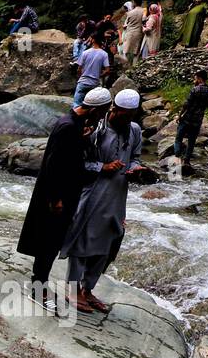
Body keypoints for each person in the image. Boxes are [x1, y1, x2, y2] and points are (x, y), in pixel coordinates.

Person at [16, 87, 110, 307]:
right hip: (56, 197)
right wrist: (55, 198)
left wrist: (84, 139)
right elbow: (54, 165)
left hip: (63, 194)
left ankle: (40, 286)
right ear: (95, 109)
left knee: (50, 242)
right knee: (47, 244)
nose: (102, 116)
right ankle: (38, 289)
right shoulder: (68, 126)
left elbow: (70, 156)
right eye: (103, 111)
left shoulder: (74, 124)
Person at [59, 88, 146, 314]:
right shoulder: (96, 129)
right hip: (93, 193)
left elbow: (135, 158)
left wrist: (136, 170)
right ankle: (72, 290)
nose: (128, 120)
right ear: (114, 110)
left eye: (132, 115)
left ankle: (88, 290)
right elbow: (80, 163)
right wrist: (103, 167)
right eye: (124, 115)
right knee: (83, 242)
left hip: (117, 195)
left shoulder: (135, 130)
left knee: (107, 244)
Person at [174, 69, 208, 159]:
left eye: (195, 79)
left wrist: (179, 116)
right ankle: (187, 161)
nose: (194, 81)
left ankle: (177, 156)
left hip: (187, 119)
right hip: (197, 121)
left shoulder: (195, 89)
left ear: (199, 79)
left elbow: (186, 105)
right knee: (191, 142)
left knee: (178, 138)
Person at [73, 34, 109, 107]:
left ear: (93, 40)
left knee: (76, 105)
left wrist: (80, 77)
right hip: (94, 84)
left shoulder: (85, 53)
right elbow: (107, 70)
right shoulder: (104, 54)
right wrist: (99, 75)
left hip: (83, 82)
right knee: (91, 106)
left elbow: (79, 69)